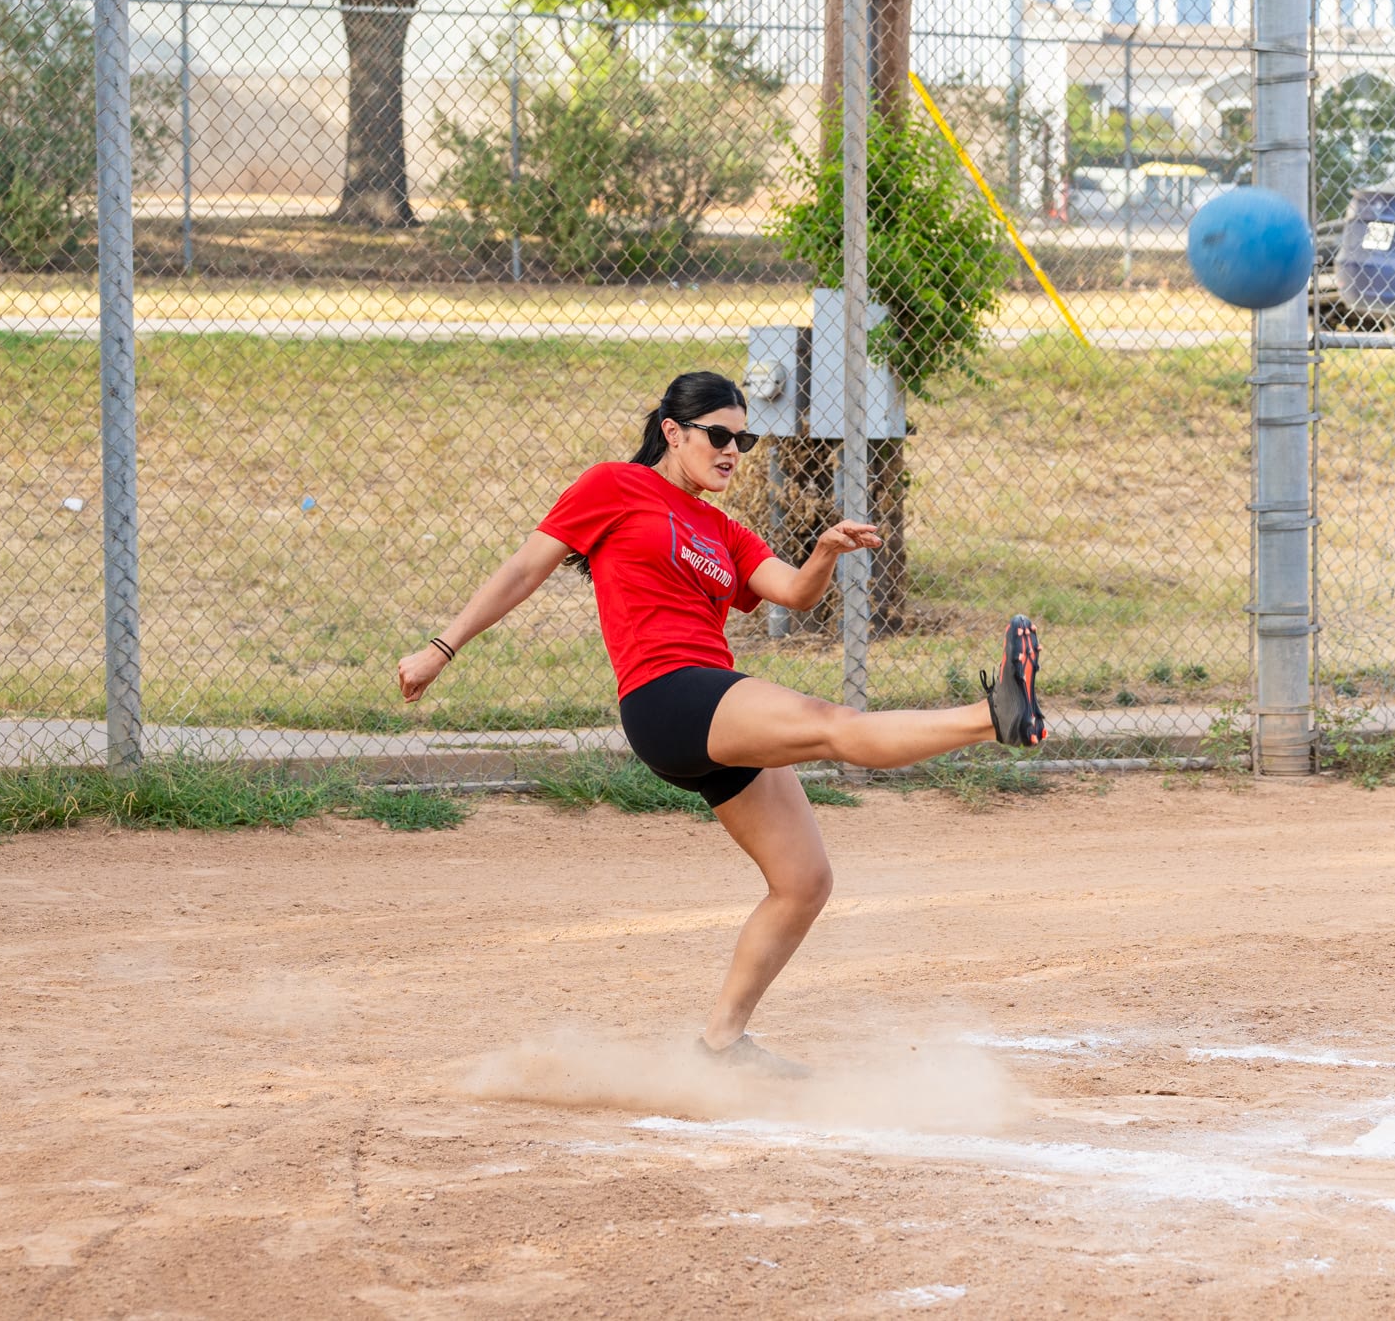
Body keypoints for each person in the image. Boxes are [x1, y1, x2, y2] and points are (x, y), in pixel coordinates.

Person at [396, 371, 1045, 1077]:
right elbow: (525, 569)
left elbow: (793, 594)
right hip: (667, 693)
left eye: (744, 437)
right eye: (718, 435)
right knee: (831, 724)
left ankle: (719, 1048)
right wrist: (442, 646)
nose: (734, 449)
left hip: (710, 708)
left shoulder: (726, 530)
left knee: (804, 879)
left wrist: (823, 552)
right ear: (673, 432)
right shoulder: (614, 486)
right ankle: (994, 715)